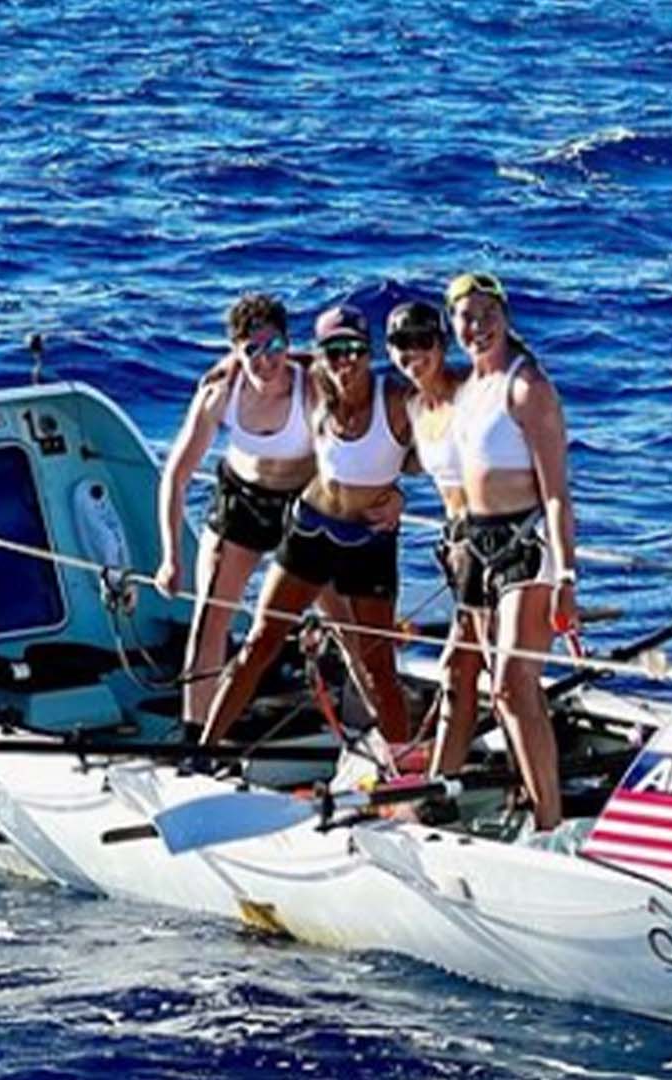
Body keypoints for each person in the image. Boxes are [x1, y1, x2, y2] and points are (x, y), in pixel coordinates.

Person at [199, 304, 415, 747]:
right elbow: (280, 357)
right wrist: (229, 364)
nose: (345, 362)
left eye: (355, 350)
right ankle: (202, 750)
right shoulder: (315, 382)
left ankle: (403, 767)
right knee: (260, 643)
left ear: (370, 351)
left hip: (370, 541)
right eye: (334, 351)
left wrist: (399, 495)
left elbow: (438, 446)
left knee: (377, 665)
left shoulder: (395, 399)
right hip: (311, 529)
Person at [446, 272, 577, 830]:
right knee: (495, 692)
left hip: (525, 547)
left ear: (505, 316)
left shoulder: (527, 389)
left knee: (512, 684)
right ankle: (526, 797)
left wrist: (566, 576)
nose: (478, 327)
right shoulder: (467, 389)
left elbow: (556, 493)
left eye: (488, 315)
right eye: (466, 317)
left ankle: (551, 824)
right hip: (476, 547)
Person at [155, 293, 313, 734]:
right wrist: (171, 558)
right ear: (236, 352)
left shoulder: (312, 386)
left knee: (343, 616)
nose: (266, 361)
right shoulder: (220, 394)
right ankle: (196, 737)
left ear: (288, 344)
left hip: (301, 505)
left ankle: (369, 729)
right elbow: (176, 477)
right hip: (241, 505)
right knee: (210, 621)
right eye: (252, 350)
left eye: (274, 347)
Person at [384, 299, 483, 778]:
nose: (413, 352)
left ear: (443, 344)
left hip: (498, 546)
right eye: (401, 343)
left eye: (424, 341)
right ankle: (443, 781)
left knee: (484, 671)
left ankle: (534, 795)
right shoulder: (412, 404)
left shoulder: (472, 392)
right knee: (462, 669)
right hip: (459, 550)